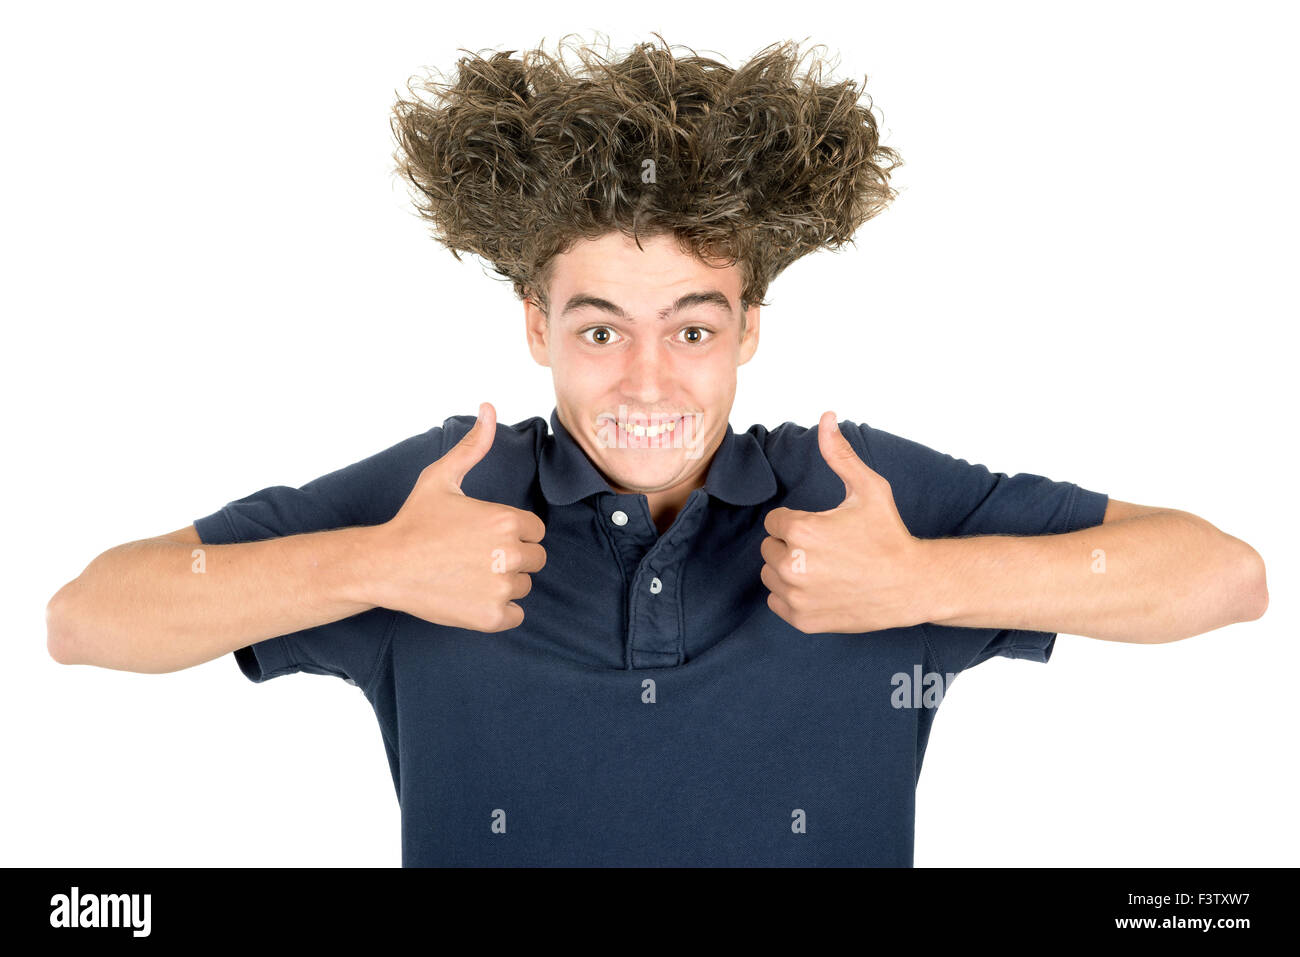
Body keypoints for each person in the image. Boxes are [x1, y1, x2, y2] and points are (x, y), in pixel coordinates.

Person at [45, 35, 1268, 866]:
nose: (646, 379)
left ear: (748, 331)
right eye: (598, 327)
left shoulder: (854, 492)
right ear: (535, 327)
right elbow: (87, 619)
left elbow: (1223, 577)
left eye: (692, 326)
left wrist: (927, 584)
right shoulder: (446, 495)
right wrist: (370, 565)